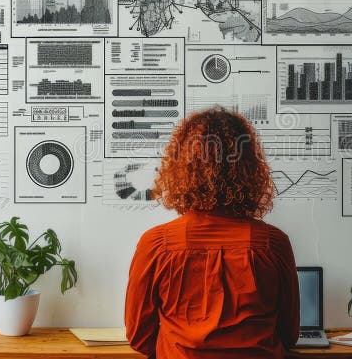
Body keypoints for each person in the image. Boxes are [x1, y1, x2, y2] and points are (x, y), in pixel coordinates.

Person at [124, 108, 300, 359]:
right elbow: (289, 334)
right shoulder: (274, 244)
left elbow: (139, 337)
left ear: (180, 168)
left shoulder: (156, 244)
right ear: (249, 167)